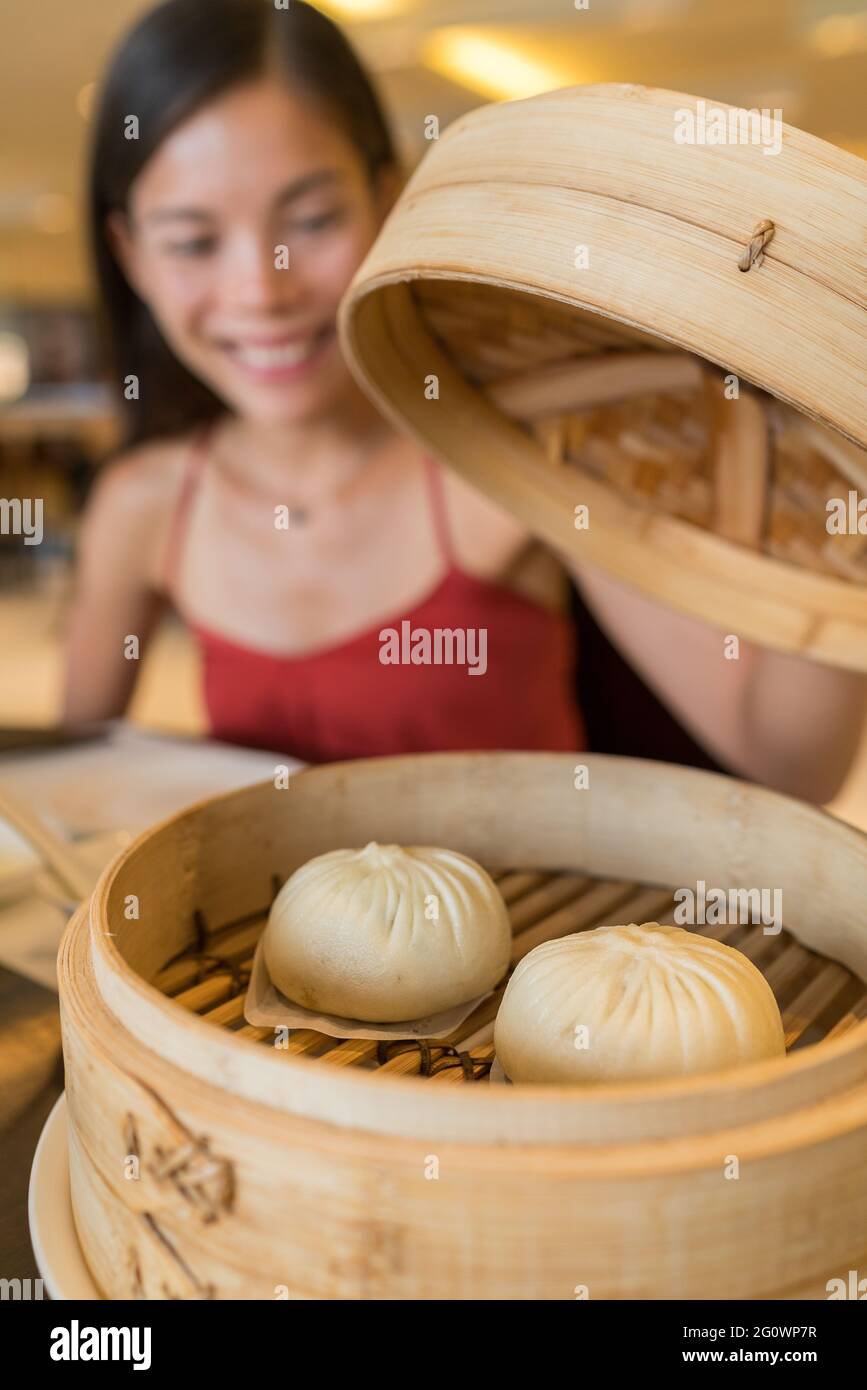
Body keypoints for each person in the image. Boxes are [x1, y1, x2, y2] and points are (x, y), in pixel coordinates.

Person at [64, 0, 867, 800]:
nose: (260, 290)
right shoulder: (145, 506)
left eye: (310, 219)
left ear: (386, 200)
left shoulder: (511, 452)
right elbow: (65, 786)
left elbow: (788, 762)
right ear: (130, 255)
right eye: (193, 242)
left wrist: (828, 500)